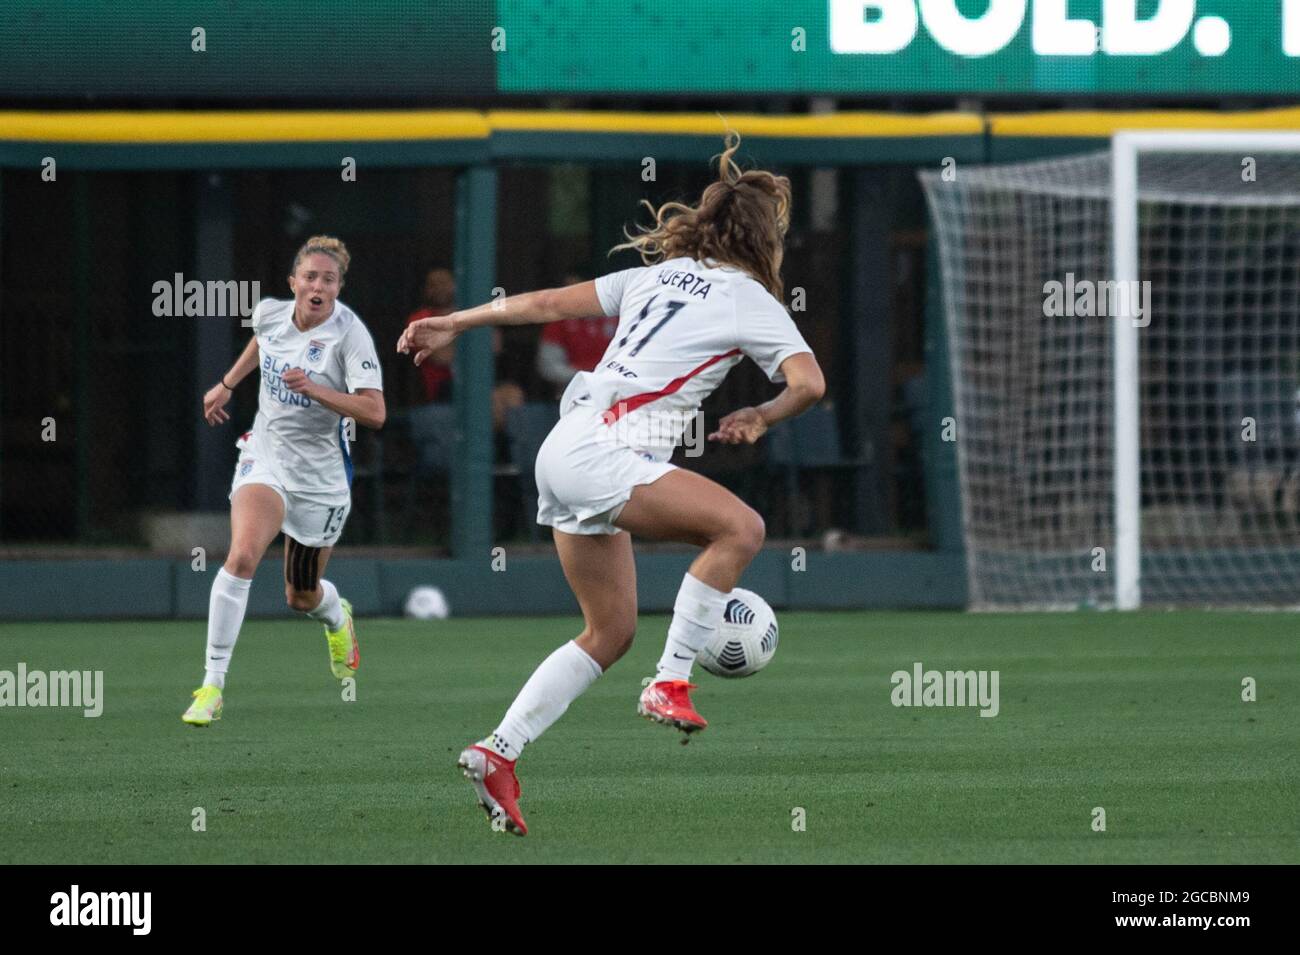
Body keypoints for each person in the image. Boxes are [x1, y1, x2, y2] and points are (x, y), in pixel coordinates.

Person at [400, 133, 824, 835]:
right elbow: (809, 383)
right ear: (762, 241)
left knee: (610, 628)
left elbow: (541, 304)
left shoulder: (652, 276)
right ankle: (669, 680)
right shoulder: (751, 298)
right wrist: (762, 411)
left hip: (563, 445)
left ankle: (498, 752)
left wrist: (455, 321)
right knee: (741, 528)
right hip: (605, 451)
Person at [182, 236, 386, 726]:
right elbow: (261, 341)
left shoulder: (350, 335)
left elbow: (375, 412)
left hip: (319, 479)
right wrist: (227, 383)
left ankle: (337, 617)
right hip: (266, 457)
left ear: (339, 287)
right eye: (310, 277)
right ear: (293, 282)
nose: (318, 286)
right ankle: (212, 685)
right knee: (242, 555)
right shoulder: (271, 312)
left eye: (328, 279)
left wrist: (315, 389)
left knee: (300, 596)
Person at [535, 271, 619, 396]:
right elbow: (549, 367)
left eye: (576, 291)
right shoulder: (559, 322)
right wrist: (587, 377)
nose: (570, 297)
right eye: (566, 291)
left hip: (617, 389)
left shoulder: (618, 315)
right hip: (574, 392)